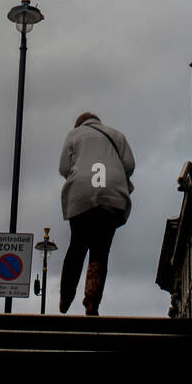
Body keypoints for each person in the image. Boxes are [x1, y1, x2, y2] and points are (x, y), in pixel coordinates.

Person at [58, 111, 135, 315]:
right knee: (100, 250)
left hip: (82, 194)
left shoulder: (73, 135)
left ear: (79, 124)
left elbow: (63, 168)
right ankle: (91, 302)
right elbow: (129, 166)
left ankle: (66, 297)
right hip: (111, 196)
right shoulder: (117, 135)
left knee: (77, 246)